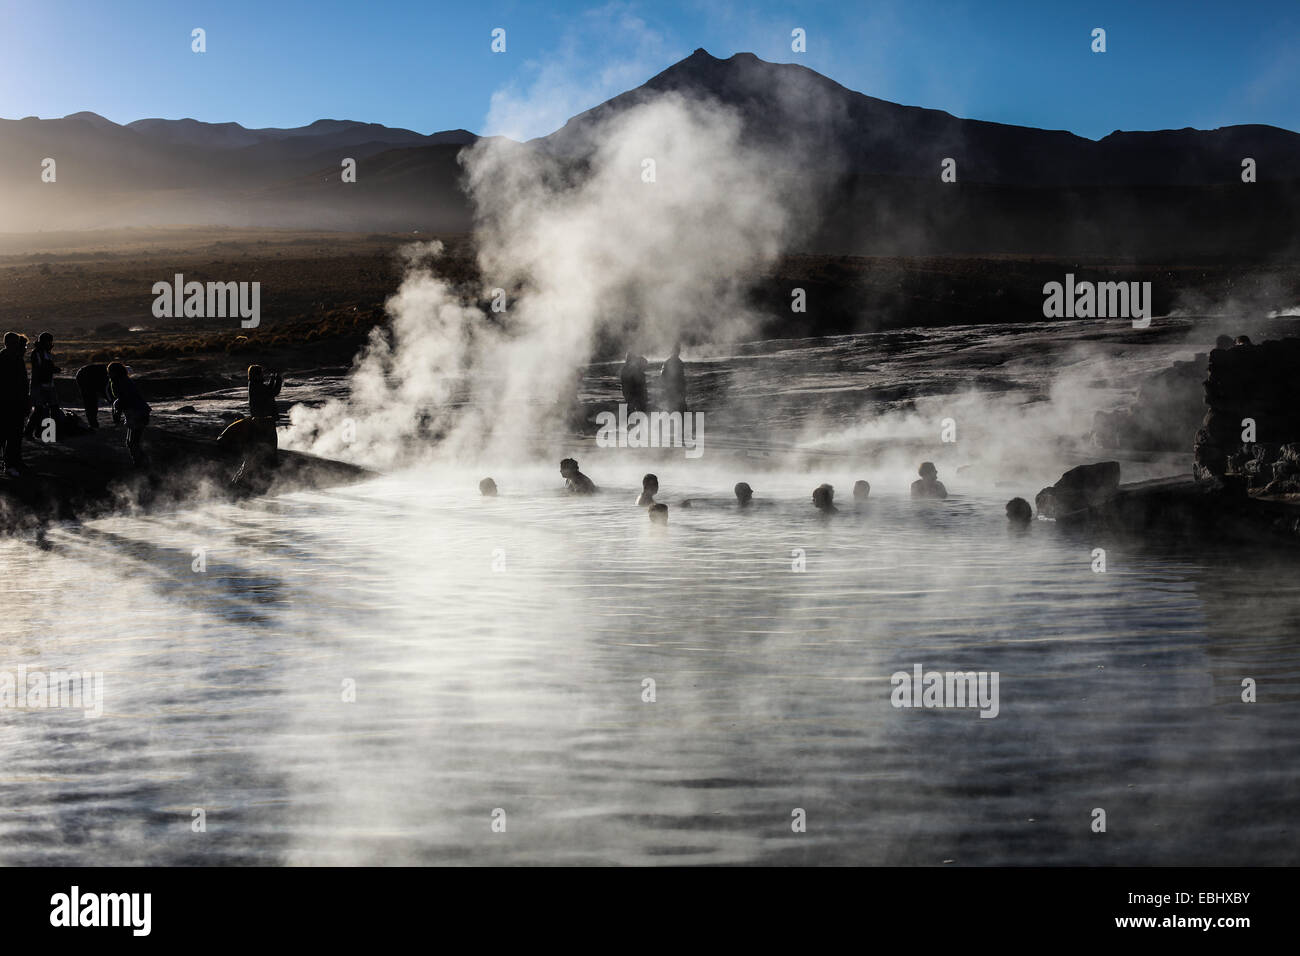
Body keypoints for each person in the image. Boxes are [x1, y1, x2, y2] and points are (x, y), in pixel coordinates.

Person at [107, 362, 150, 468]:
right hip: (137, 413)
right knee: (131, 442)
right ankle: (141, 464)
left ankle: (142, 465)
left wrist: (117, 409)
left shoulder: (120, 382)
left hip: (137, 414)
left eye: (110, 372)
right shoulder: (123, 380)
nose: (108, 374)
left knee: (132, 442)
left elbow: (125, 398)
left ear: (115, 372)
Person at [0, 332, 30, 476]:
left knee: (15, 435)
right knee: (8, 435)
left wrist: (25, 401)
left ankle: (14, 462)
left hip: (16, 403)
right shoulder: (7, 359)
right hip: (7, 403)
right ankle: (10, 464)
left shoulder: (15, 358)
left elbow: (23, 384)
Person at [24, 332, 60, 440]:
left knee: (51, 408)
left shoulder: (45, 352)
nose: (51, 344)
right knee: (40, 410)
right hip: (39, 385)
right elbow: (41, 368)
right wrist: (53, 369)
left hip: (48, 384)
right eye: (49, 341)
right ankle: (31, 432)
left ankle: (45, 433)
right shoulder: (37, 353)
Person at [76, 363, 110, 430]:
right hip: (85, 376)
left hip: (83, 374)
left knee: (90, 401)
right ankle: (93, 424)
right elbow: (106, 392)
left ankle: (93, 424)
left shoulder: (111, 371)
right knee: (90, 401)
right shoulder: (110, 375)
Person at [660, 343, 687, 413]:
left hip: (675, 389)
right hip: (674, 389)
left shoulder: (669, 362)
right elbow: (663, 376)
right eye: (677, 351)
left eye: (678, 351)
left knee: (675, 408)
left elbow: (662, 376)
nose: (678, 353)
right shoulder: (678, 362)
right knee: (677, 408)